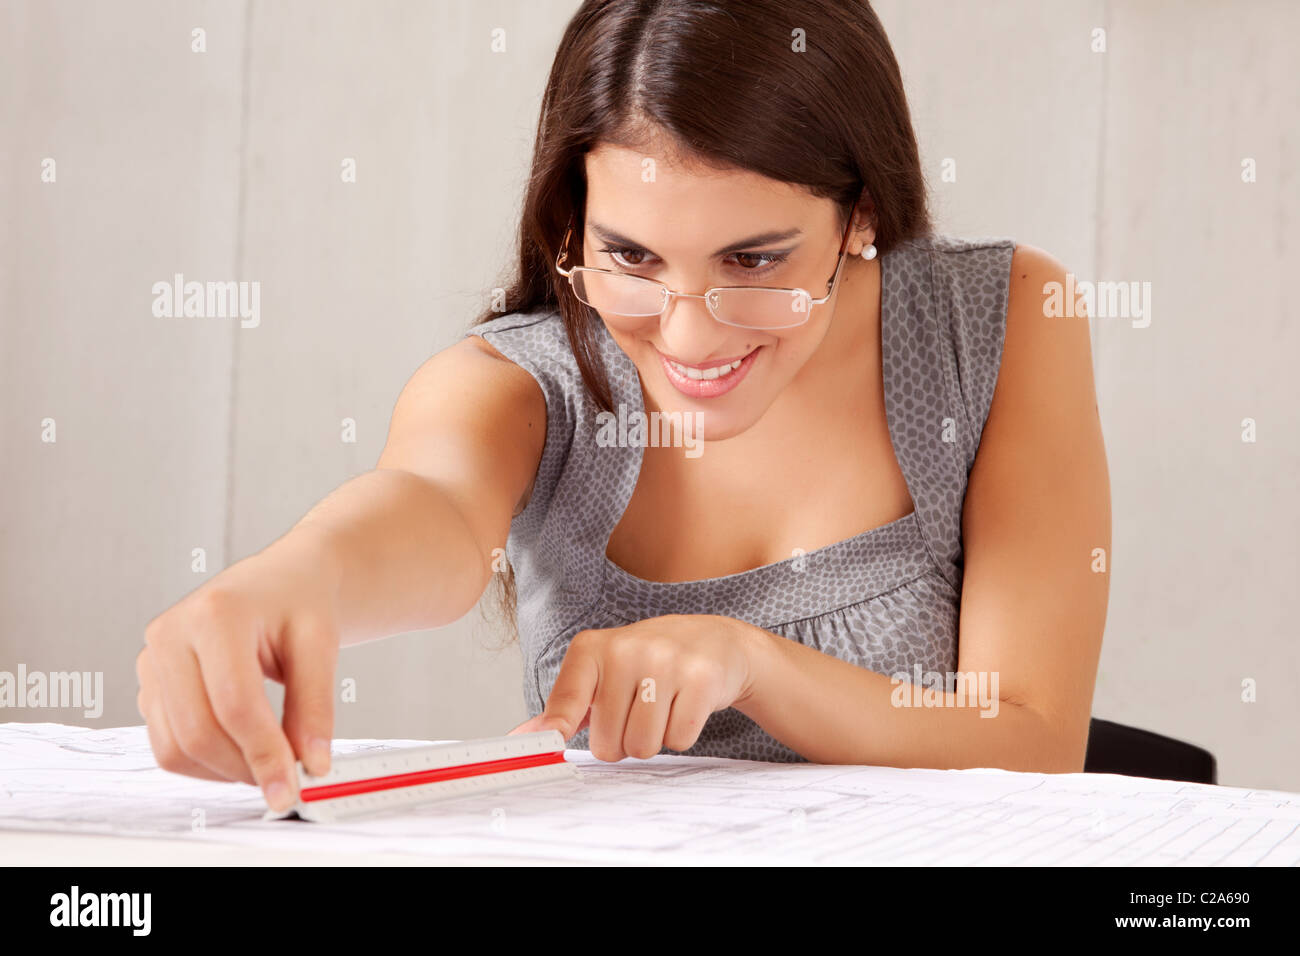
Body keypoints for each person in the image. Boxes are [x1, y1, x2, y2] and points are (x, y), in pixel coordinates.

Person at [137, 0, 1110, 813]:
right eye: (631, 258)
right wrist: (302, 573)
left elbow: (1033, 738)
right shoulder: (521, 378)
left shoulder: (997, 321)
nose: (686, 338)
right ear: (571, 220)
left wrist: (748, 662)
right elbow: (429, 503)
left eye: (754, 260)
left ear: (859, 213)